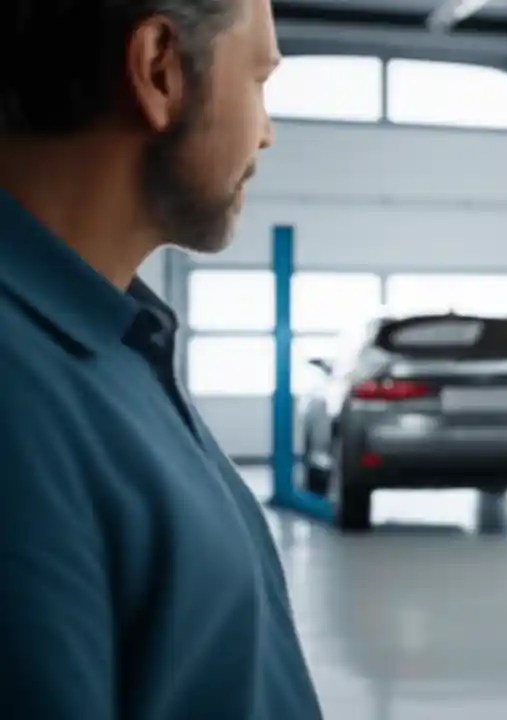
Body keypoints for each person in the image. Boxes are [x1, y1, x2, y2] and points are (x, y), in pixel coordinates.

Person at [0, 1, 322, 718]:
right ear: (160, 70)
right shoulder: (16, 400)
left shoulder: (109, 337)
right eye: (260, 79)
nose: (267, 134)